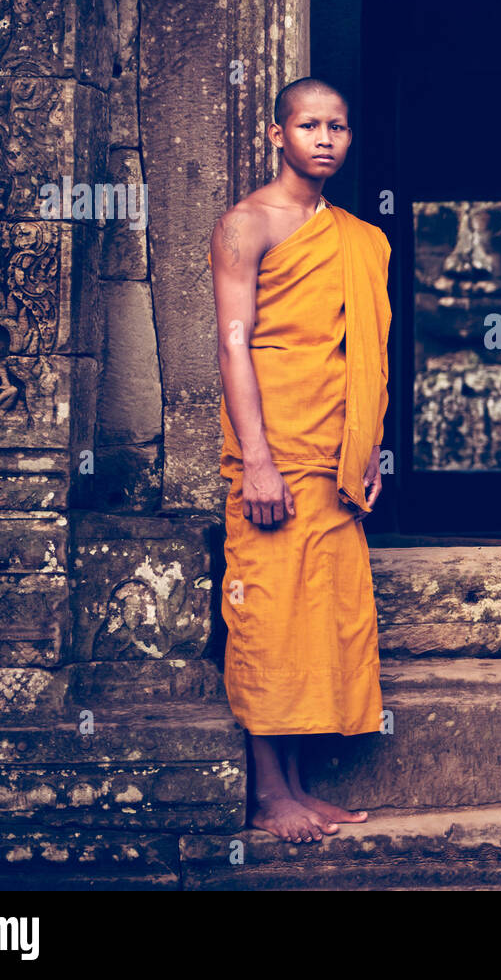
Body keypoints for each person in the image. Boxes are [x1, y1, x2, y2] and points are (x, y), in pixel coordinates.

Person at [208, 78, 391, 842]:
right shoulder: (246, 224)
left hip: (335, 455)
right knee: (269, 621)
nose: (325, 138)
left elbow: (365, 350)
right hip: (275, 448)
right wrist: (257, 459)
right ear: (278, 133)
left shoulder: (360, 236)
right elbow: (233, 343)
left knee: (320, 618)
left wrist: (370, 443)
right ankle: (266, 792)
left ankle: (298, 785)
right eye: (309, 124)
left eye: (339, 126)